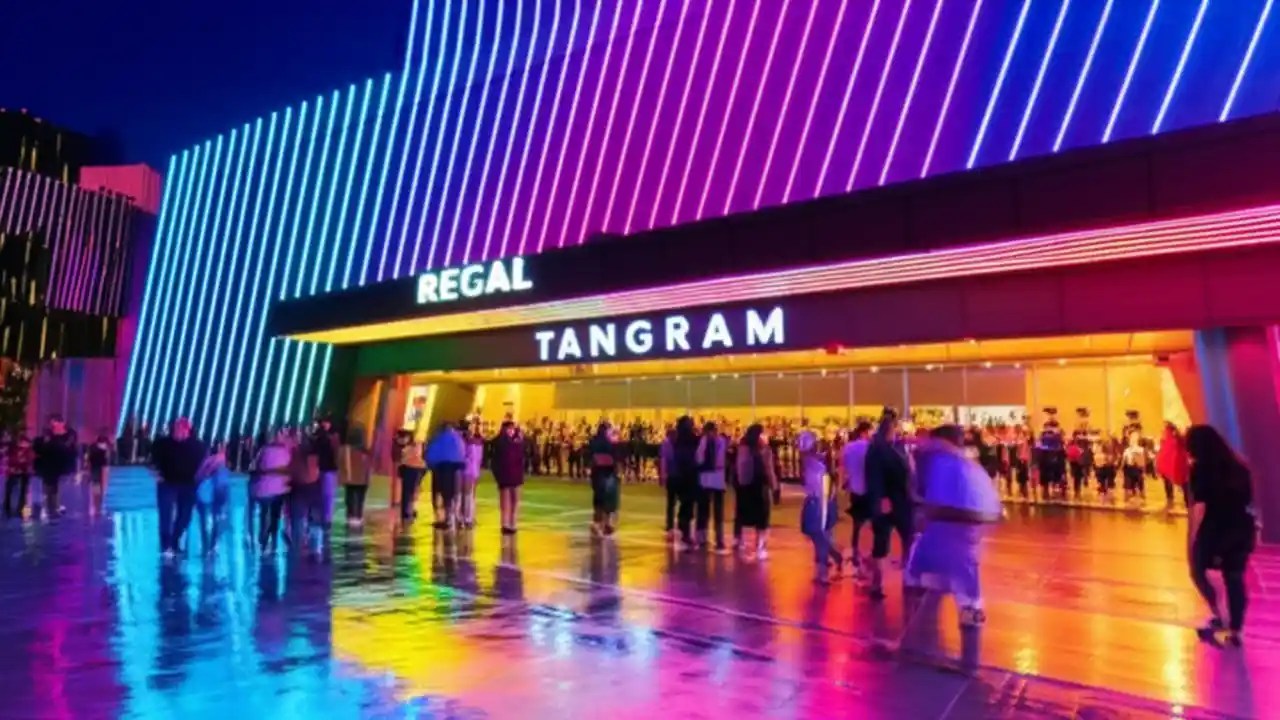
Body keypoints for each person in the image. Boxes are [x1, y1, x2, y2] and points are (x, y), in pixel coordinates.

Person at [903, 425, 1003, 628]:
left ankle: (933, 611)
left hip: (949, 520)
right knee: (962, 565)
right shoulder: (958, 461)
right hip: (963, 520)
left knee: (933, 563)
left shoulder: (939, 459)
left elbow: (923, 489)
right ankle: (966, 608)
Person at [1186, 425, 1256, 647]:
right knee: (1234, 578)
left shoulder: (1201, 469)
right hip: (1241, 529)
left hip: (1215, 531)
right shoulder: (1239, 466)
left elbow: (1200, 507)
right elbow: (1248, 500)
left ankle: (1219, 613)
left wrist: (1191, 538)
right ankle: (1235, 629)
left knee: (1198, 571)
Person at [865, 410, 914, 599]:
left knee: (888, 540)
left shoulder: (888, 448)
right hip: (892, 499)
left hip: (894, 499)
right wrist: (883, 497)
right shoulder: (881, 450)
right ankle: (880, 582)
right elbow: (876, 476)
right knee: (894, 538)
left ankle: (880, 582)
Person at [150, 417, 208, 558]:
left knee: (185, 516)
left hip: (189, 485)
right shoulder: (162, 443)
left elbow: (205, 465)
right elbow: (152, 461)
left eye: (181, 428)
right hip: (167, 484)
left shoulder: (198, 446)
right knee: (165, 515)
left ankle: (174, 541)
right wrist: (156, 474)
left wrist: (202, 478)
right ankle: (166, 546)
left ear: (187, 430)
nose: (177, 431)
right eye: (175, 428)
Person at [734, 423, 778, 559]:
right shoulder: (764, 449)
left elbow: (737, 467)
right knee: (762, 517)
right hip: (760, 485)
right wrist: (774, 486)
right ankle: (760, 547)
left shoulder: (742, 447)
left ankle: (738, 540)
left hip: (744, 486)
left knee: (741, 513)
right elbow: (769, 469)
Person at [249, 430, 292, 552]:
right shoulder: (284, 451)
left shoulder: (263, 451)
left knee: (264, 514)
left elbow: (255, 467)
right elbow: (289, 467)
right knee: (276, 515)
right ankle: (273, 540)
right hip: (281, 489)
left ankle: (263, 540)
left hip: (265, 489)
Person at [841, 421, 873, 573]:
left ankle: (855, 549)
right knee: (870, 520)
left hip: (854, 488)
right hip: (868, 488)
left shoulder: (848, 447)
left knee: (857, 523)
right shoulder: (869, 447)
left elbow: (844, 467)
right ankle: (867, 551)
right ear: (865, 432)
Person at [33, 414, 78, 519]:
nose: (53, 426)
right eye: (52, 424)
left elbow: (69, 450)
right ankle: (50, 508)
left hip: (63, 465)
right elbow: (40, 449)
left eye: (55, 423)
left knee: (58, 487)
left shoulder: (70, 436)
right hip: (48, 466)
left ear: (62, 423)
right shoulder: (47, 436)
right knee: (48, 487)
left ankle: (56, 507)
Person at [695, 421, 729, 553]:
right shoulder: (718, 441)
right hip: (715, 476)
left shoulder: (711, 441)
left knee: (707, 507)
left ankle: (705, 537)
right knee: (712, 508)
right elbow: (718, 460)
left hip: (709, 475)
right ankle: (714, 538)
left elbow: (699, 459)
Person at [426, 421, 466, 530]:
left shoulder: (437, 438)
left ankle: (442, 518)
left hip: (440, 469)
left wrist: (430, 465)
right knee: (454, 494)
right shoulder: (458, 439)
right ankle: (455, 517)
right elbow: (462, 453)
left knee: (441, 494)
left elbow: (431, 454)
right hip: (455, 470)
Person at [309, 416, 342, 544]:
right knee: (323, 495)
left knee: (326, 495)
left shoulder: (331, 437)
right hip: (323, 468)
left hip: (328, 469)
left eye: (326, 422)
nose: (324, 424)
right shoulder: (322, 437)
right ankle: (322, 518)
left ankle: (325, 519)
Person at [670, 416, 701, 549]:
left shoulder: (678, 440)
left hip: (681, 475)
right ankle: (685, 535)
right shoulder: (690, 440)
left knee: (685, 505)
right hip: (689, 475)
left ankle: (684, 533)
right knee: (687, 506)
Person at [194, 443, 231, 555]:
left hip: (204, 494)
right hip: (217, 495)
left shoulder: (206, 462)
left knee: (204, 522)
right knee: (216, 520)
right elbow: (224, 485)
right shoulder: (223, 464)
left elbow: (197, 477)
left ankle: (206, 545)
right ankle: (213, 544)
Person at [588, 422, 622, 536]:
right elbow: (615, 457)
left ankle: (597, 523)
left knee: (598, 499)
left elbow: (590, 457)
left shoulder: (594, 442)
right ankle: (606, 524)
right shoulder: (609, 443)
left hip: (597, 473)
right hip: (607, 474)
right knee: (609, 500)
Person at [493, 421, 525, 534]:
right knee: (508, 501)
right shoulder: (504, 442)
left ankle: (510, 523)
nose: (511, 430)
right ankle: (508, 524)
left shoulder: (515, 441)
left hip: (512, 476)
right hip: (508, 476)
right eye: (509, 428)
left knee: (512, 501)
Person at [341, 426, 373, 527]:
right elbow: (369, 466)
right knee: (360, 499)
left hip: (351, 480)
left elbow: (342, 463)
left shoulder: (346, 450)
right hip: (363, 481)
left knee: (350, 498)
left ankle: (351, 517)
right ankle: (358, 516)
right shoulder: (365, 451)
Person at [1156, 422, 1189, 511]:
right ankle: (1173, 500)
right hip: (1173, 463)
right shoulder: (1168, 438)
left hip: (1177, 463)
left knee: (1183, 483)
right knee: (1176, 483)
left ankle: (1181, 501)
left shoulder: (1176, 438)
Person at [398, 432, 427, 523]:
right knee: (413, 490)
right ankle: (410, 511)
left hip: (411, 468)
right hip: (418, 468)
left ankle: (407, 512)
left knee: (408, 491)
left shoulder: (413, 444)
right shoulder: (420, 442)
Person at [460, 423, 485, 529]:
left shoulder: (474, 443)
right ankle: (466, 518)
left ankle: (467, 517)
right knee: (467, 494)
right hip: (470, 470)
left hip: (470, 470)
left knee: (468, 494)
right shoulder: (475, 443)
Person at [4, 432, 32, 520]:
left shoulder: (29, 451)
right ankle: (7, 508)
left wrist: (23, 464)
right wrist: (14, 467)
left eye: (26, 443)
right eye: (23, 443)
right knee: (9, 490)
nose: (25, 445)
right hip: (13, 473)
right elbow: (10, 460)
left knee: (23, 492)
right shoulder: (13, 450)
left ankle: (21, 510)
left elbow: (29, 460)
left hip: (24, 473)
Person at [87, 432, 112, 516]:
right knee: (101, 486)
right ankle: (99, 504)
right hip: (102, 468)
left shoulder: (92, 447)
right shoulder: (106, 448)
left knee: (96, 485)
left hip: (95, 468)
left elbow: (89, 458)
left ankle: (96, 503)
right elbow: (107, 459)